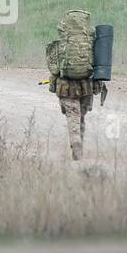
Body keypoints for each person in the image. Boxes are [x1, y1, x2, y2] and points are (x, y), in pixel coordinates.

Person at [45, 9, 107, 161]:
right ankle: (80, 146)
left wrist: (52, 84)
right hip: (86, 86)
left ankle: (76, 142)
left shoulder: (59, 45)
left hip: (66, 87)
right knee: (81, 116)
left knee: (73, 115)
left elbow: (54, 69)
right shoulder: (92, 43)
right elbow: (101, 65)